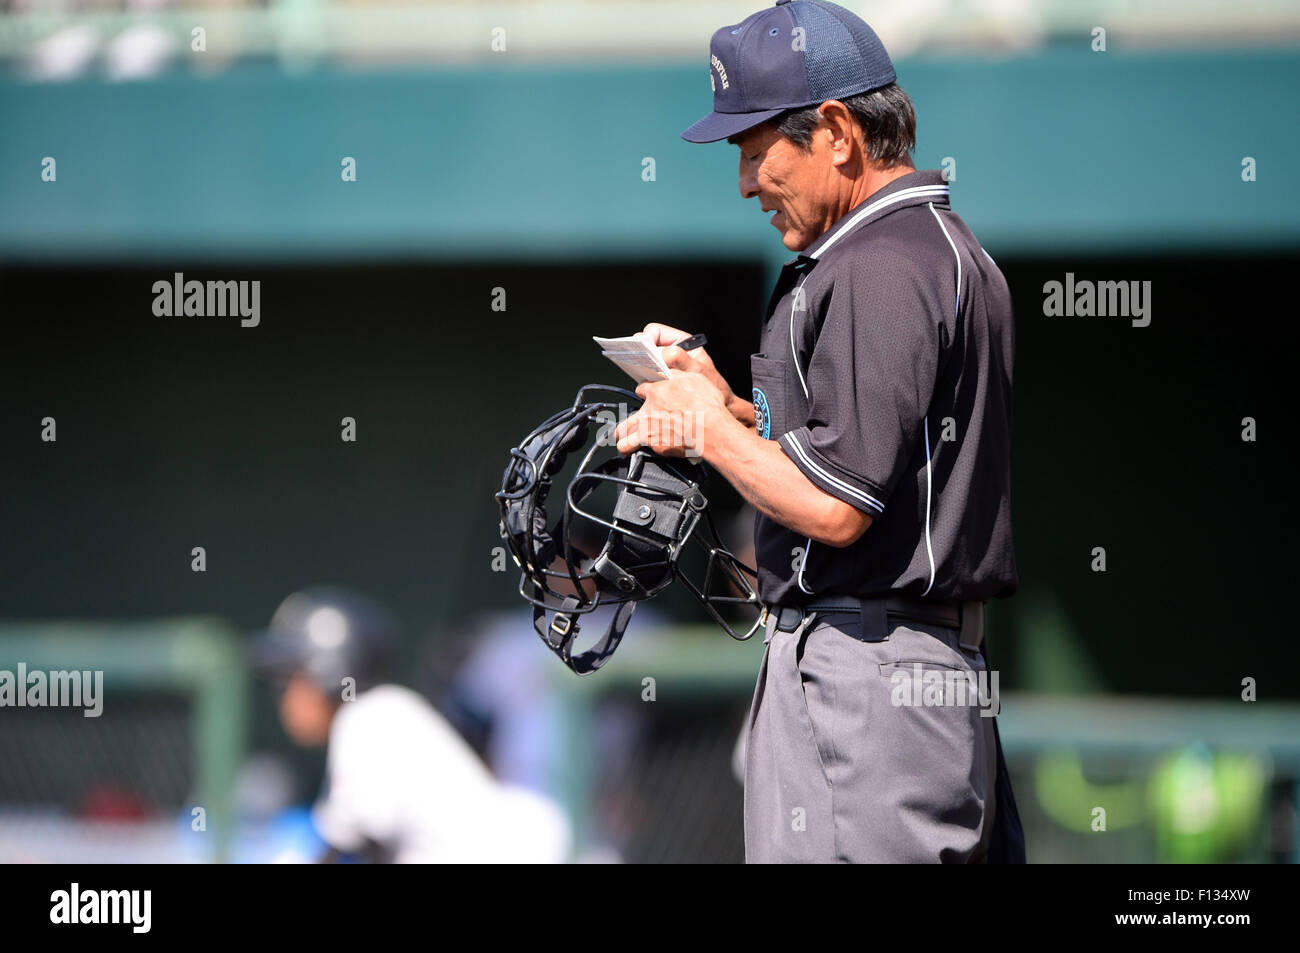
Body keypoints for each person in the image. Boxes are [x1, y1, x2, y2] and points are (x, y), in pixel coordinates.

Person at [614, 0, 1023, 862]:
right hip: (891, 664)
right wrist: (724, 407)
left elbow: (840, 506)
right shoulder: (920, 248)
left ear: (837, 130)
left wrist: (708, 434)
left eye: (760, 153)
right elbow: (847, 454)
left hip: (872, 667)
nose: (744, 183)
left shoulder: (883, 262)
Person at [252, 585, 571, 863]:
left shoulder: (369, 719)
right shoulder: (383, 712)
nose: (285, 695)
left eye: (291, 677)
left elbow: (339, 846)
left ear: (327, 672)